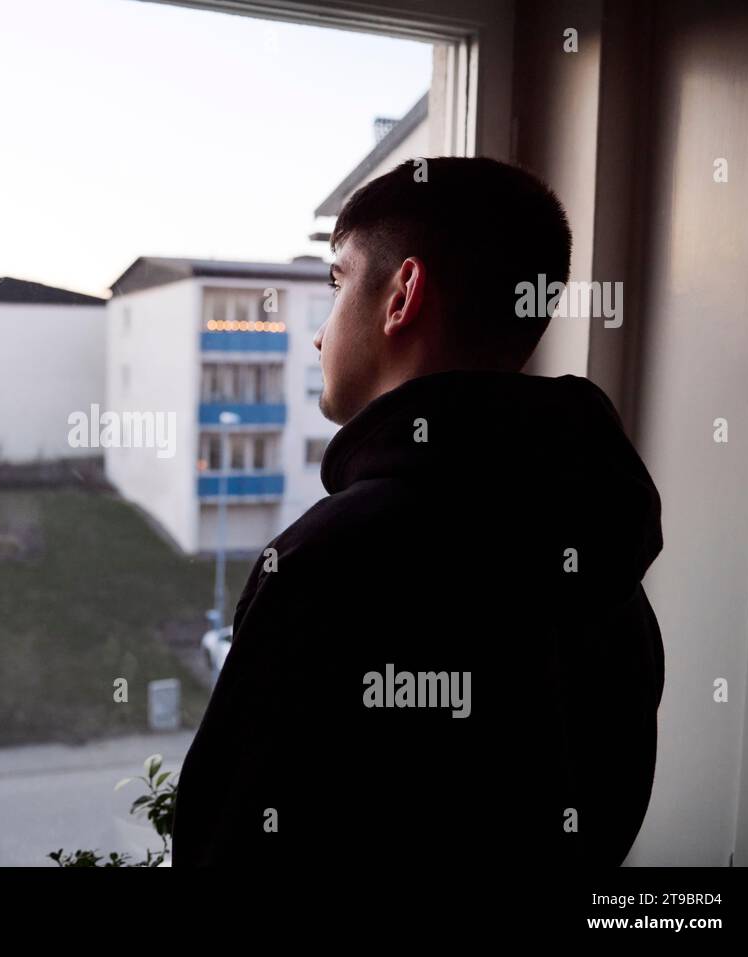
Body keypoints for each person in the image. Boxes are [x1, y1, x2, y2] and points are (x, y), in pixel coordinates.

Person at [172, 157, 664, 867]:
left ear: (402, 295)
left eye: (337, 280)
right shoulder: (603, 551)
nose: (318, 333)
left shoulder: (332, 566)